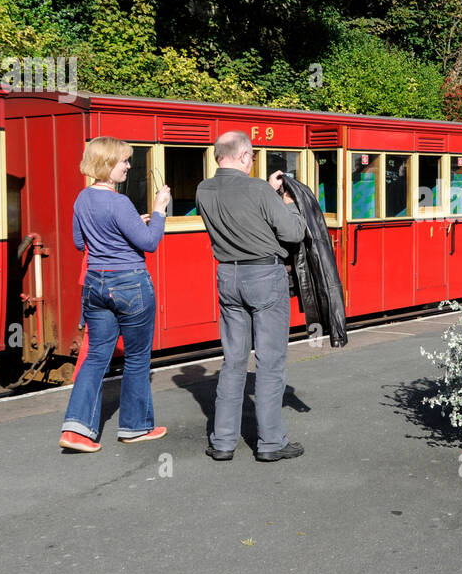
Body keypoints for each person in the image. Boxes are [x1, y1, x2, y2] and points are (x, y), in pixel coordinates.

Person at [196, 131, 307, 463]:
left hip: (228, 276)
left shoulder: (204, 189)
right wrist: (287, 204)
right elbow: (292, 232)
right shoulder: (258, 189)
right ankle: (271, 442)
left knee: (233, 361)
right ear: (244, 155)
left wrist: (267, 191)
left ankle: (223, 441)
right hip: (264, 276)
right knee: (270, 362)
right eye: (253, 157)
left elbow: (238, 206)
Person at [59, 137, 171, 453]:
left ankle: (76, 430)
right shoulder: (119, 202)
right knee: (136, 358)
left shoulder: (82, 199)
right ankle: (135, 428)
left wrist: (133, 225)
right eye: (123, 160)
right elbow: (149, 243)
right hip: (130, 283)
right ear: (108, 164)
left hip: (95, 283)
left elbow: (82, 244)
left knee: (96, 356)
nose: (128, 166)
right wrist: (159, 210)